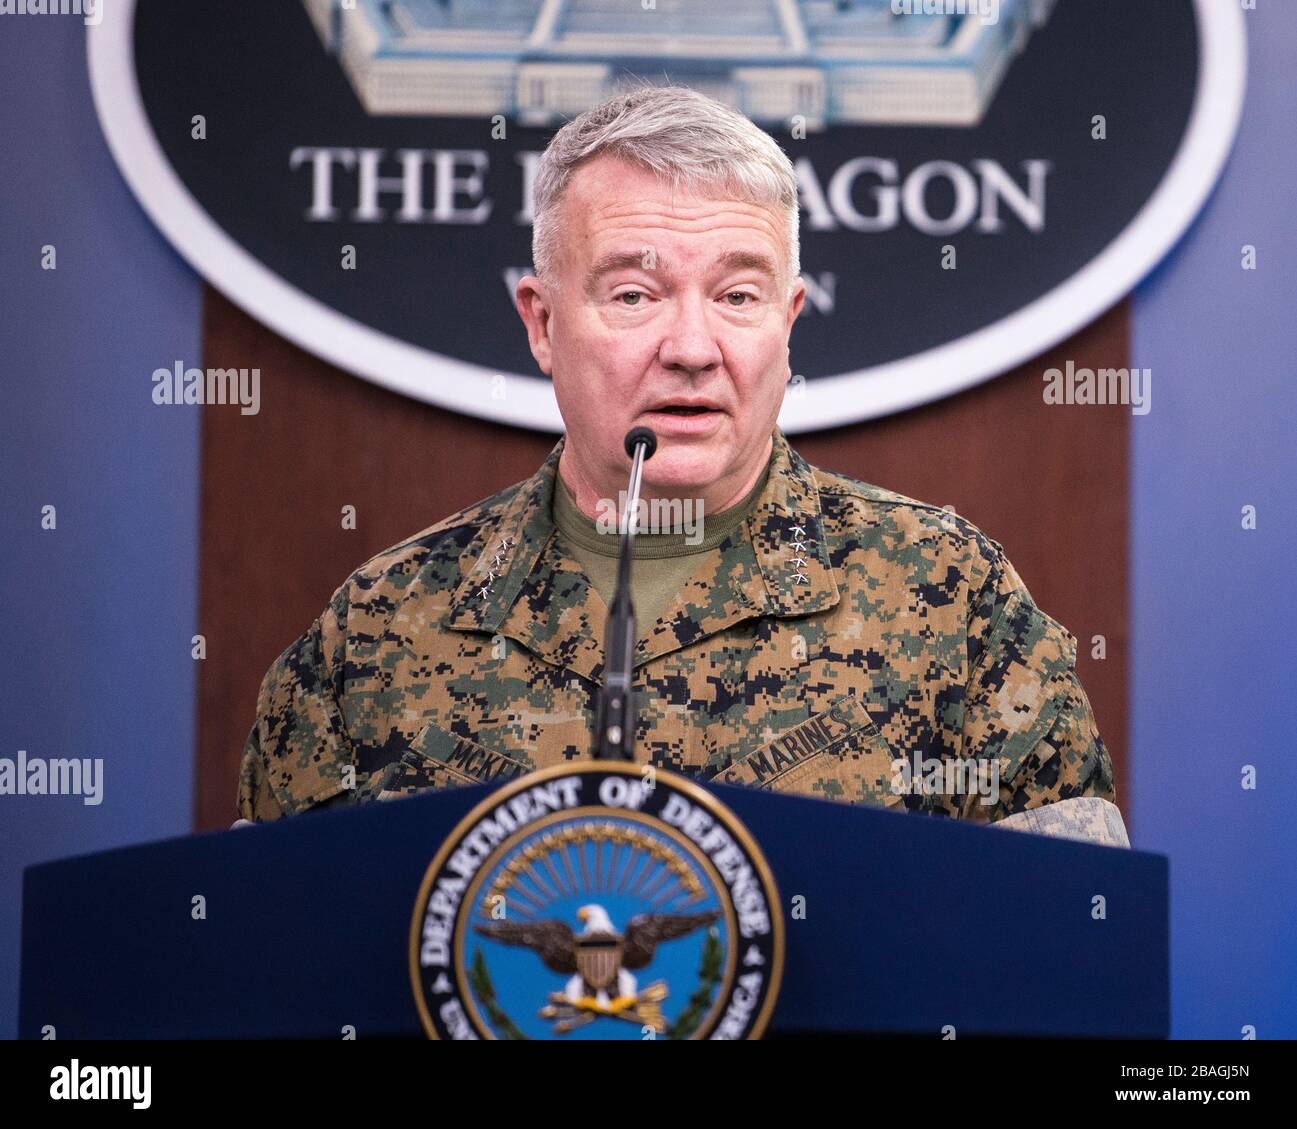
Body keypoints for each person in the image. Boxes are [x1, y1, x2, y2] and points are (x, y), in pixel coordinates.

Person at [237, 85, 1120, 842]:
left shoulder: (953, 599)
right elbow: (263, 966)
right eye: (635, 294)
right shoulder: (379, 631)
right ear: (542, 325)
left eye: (739, 295)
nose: (693, 347)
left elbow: (1080, 943)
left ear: (789, 320)